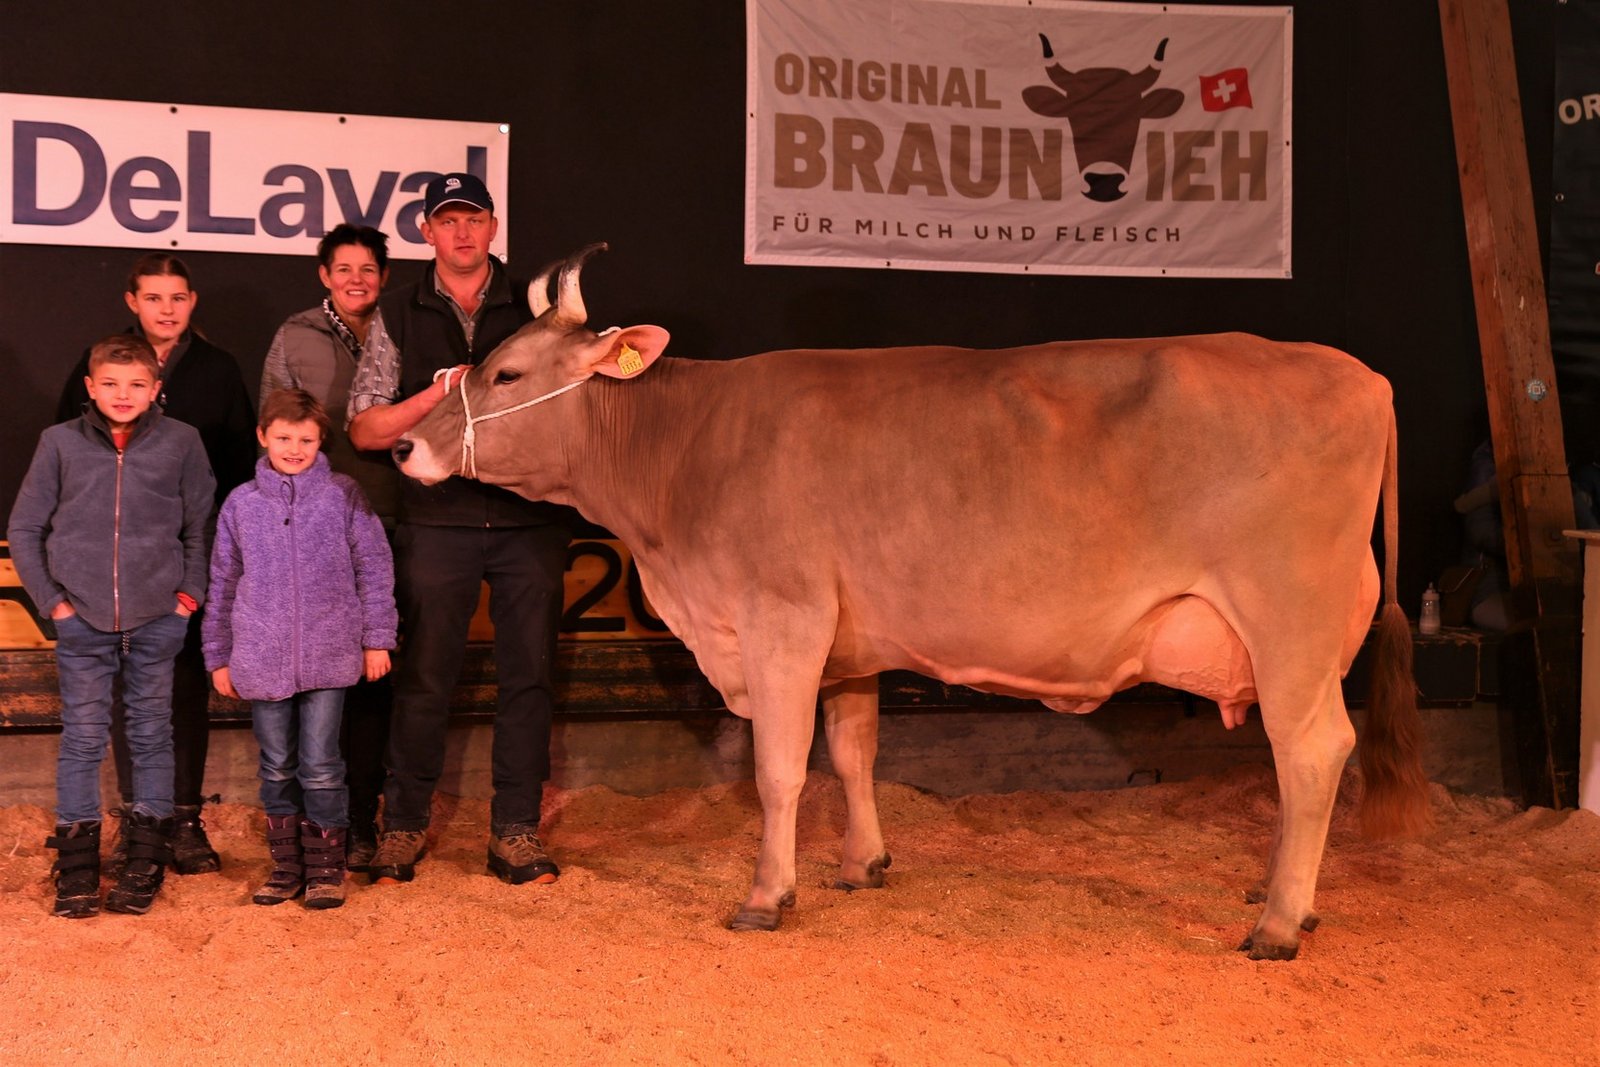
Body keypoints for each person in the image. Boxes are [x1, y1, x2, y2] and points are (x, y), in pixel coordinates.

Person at [347, 172, 577, 886]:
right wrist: (437, 394)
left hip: (528, 516)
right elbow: (363, 429)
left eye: (473, 218)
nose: (462, 232)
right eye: (447, 221)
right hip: (436, 519)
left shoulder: (538, 310)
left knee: (529, 679)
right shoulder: (399, 312)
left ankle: (515, 830)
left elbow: (574, 407)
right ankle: (405, 825)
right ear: (426, 232)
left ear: (492, 225)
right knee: (423, 677)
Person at [56, 253, 256, 875]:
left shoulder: (218, 369)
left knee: (184, 692)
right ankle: (137, 820)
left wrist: (209, 567)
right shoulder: (100, 365)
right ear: (132, 302)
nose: (166, 309)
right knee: (125, 697)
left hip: (184, 564)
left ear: (192, 301)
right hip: (110, 569)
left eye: (177, 297)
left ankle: (184, 819)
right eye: (153, 297)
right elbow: (68, 463)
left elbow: (238, 469)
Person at [10, 335, 215, 917]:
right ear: (90, 387)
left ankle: (144, 857)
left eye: (135, 385)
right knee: (82, 739)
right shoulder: (59, 444)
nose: (122, 395)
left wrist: (187, 598)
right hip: (81, 621)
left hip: (158, 618)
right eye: (110, 384)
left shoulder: (182, 442)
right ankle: (76, 865)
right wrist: (54, 604)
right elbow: (26, 529)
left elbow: (200, 526)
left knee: (152, 734)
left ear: (156, 389)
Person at [203, 389, 397, 910]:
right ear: (264, 436)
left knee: (321, 763)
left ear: (320, 442)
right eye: (284, 437)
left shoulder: (343, 494)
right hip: (261, 657)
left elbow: (374, 567)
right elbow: (222, 581)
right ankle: (287, 864)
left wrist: (377, 639)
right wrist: (218, 654)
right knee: (276, 764)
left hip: (330, 654)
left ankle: (326, 868)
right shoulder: (241, 503)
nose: (294, 448)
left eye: (306, 439)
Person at [260, 224, 399, 872]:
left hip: (394, 515)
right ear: (324, 274)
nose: (356, 279)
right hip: (317, 528)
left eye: (368, 269)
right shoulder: (294, 336)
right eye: (343, 268)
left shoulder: (404, 329)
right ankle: (314, 831)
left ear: (384, 277)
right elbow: (275, 423)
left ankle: (363, 823)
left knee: (375, 680)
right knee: (318, 687)